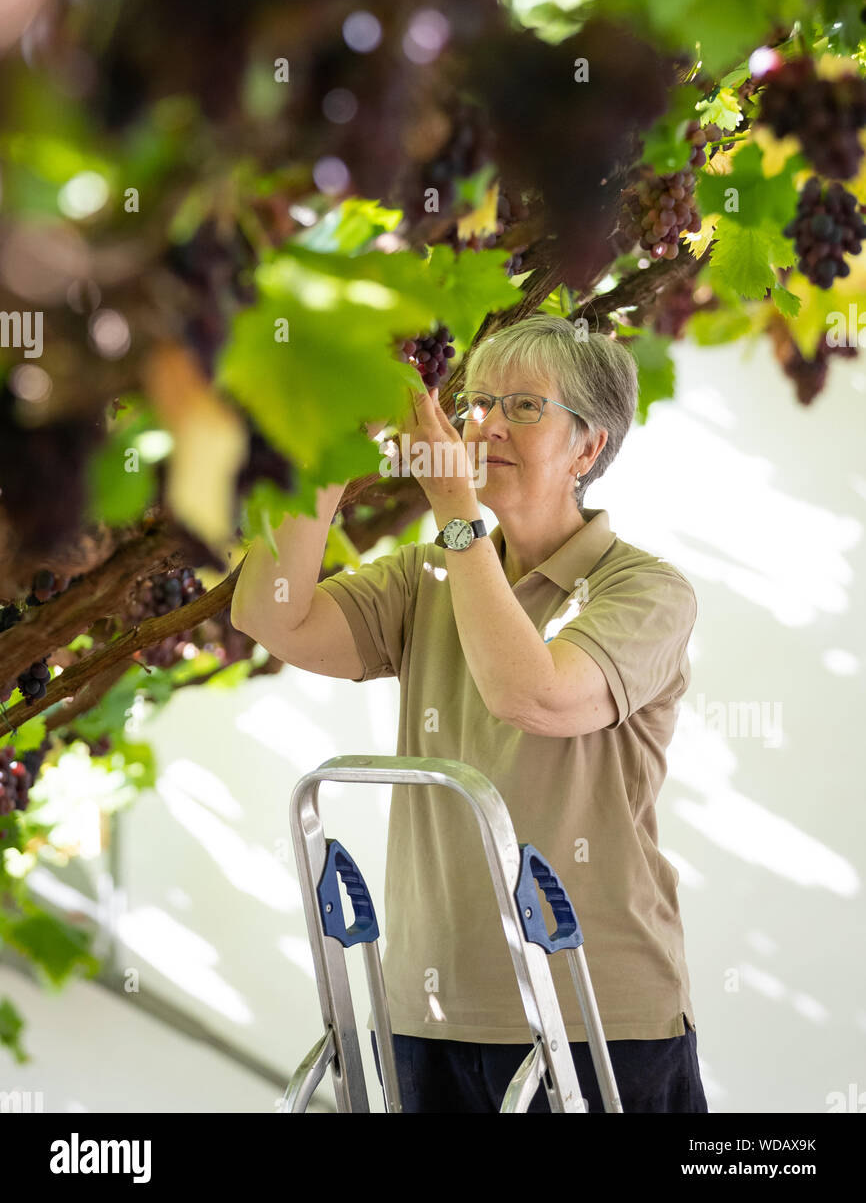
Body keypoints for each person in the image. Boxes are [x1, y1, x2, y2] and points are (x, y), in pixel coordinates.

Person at [231, 313, 708, 1113]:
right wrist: (331, 459)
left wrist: (457, 512)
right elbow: (272, 616)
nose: (485, 422)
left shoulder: (645, 591)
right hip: (427, 1015)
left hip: (597, 1022)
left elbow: (533, 694)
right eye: (477, 401)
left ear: (587, 450)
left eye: (524, 407)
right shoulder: (427, 578)